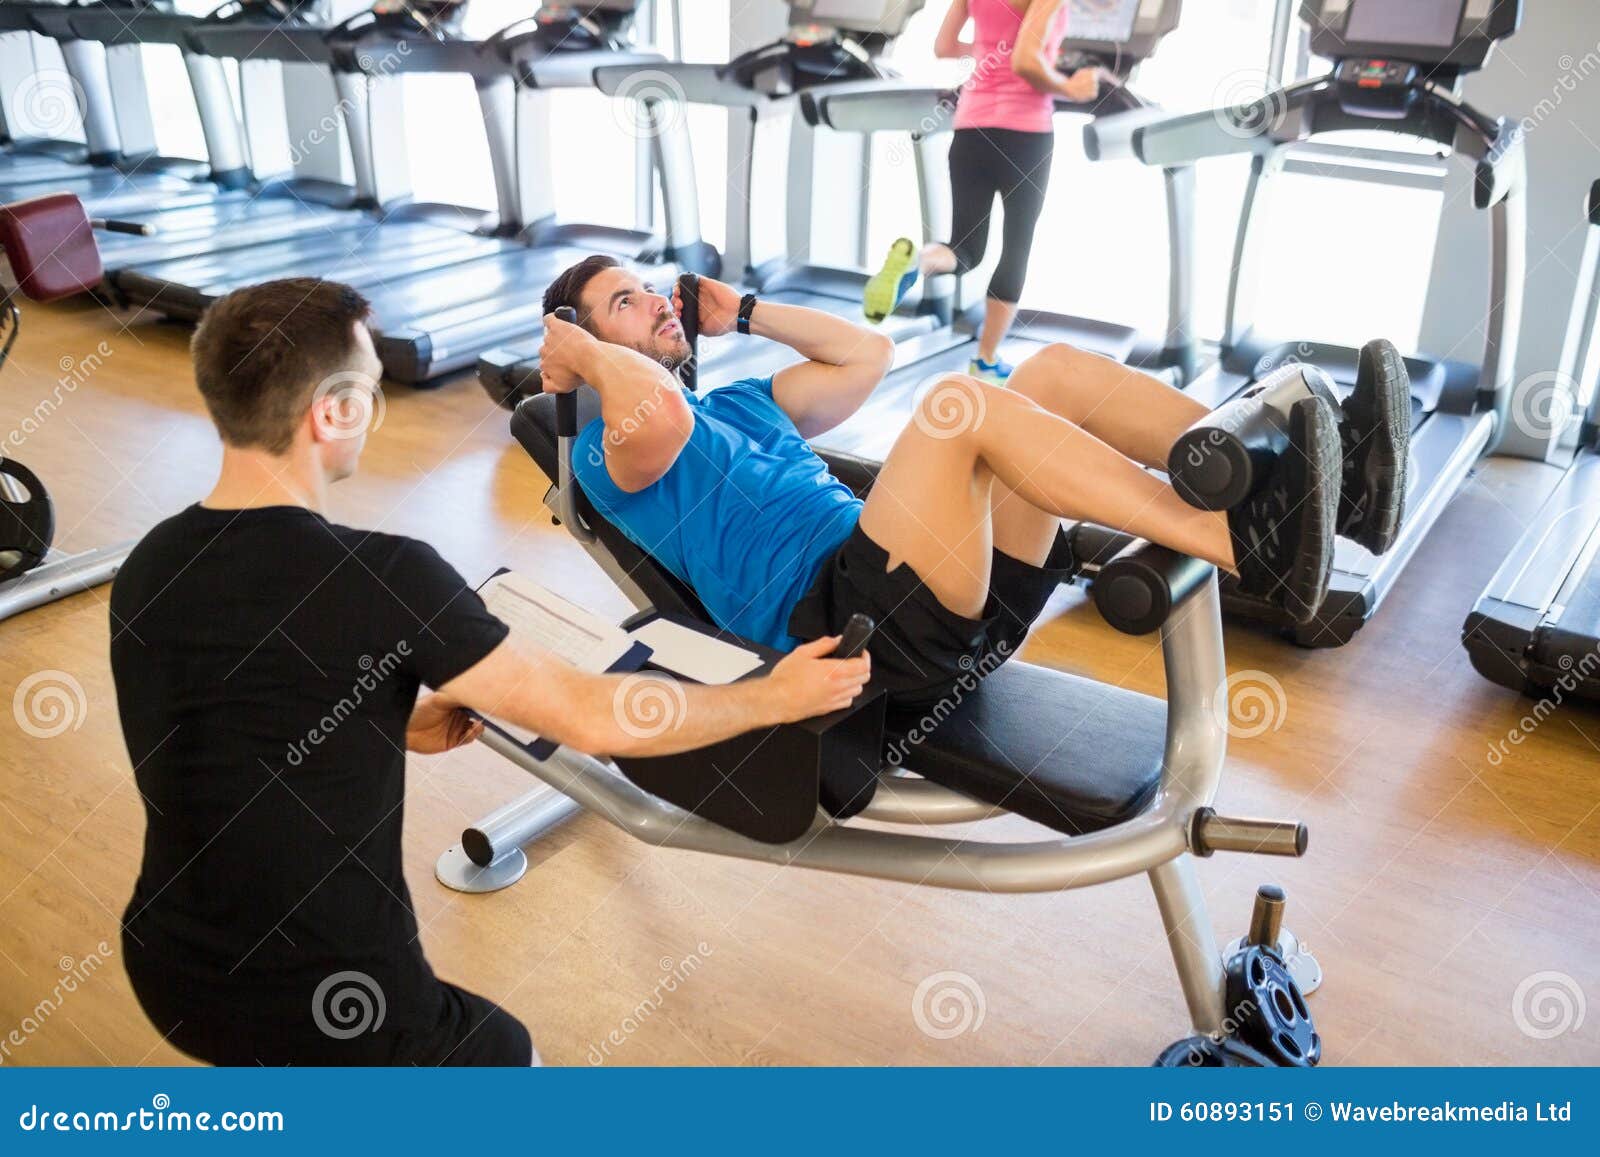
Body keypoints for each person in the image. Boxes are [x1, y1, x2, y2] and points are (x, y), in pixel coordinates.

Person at [109, 279, 871, 1067]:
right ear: (331, 412)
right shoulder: (384, 576)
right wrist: (770, 695)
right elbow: (591, 717)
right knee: (509, 1056)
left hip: (165, 967)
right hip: (338, 999)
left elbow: (216, 716)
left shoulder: (149, 565)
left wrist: (381, 719)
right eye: (369, 393)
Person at [538, 258, 1412, 709]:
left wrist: (749, 314)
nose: (657, 300)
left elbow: (865, 355)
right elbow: (658, 416)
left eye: (652, 287)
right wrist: (580, 359)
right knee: (962, 404)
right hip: (853, 633)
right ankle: (1241, 546)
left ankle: (1293, 485)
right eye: (627, 301)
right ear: (583, 338)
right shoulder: (604, 457)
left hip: (932, 593)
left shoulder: (743, 402)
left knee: (1058, 370)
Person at [863, 0, 1099, 384]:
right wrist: (1069, 87)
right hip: (1025, 134)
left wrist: (990, 51)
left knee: (966, 248)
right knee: (1016, 246)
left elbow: (943, 46)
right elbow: (1026, 60)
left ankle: (917, 262)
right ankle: (986, 360)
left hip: (972, 127)